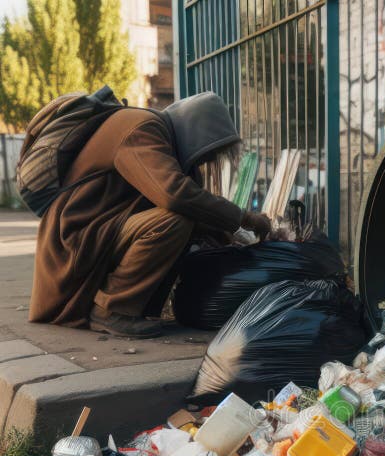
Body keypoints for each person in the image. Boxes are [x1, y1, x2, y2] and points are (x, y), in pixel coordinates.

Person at [29, 92, 270, 338]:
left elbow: (195, 209)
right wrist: (245, 218)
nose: (206, 162)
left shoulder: (164, 142)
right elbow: (174, 195)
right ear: (196, 136)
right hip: (74, 241)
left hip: (97, 233)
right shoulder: (142, 129)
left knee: (189, 219)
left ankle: (126, 304)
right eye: (208, 153)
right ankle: (111, 309)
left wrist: (236, 239)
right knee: (173, 221)